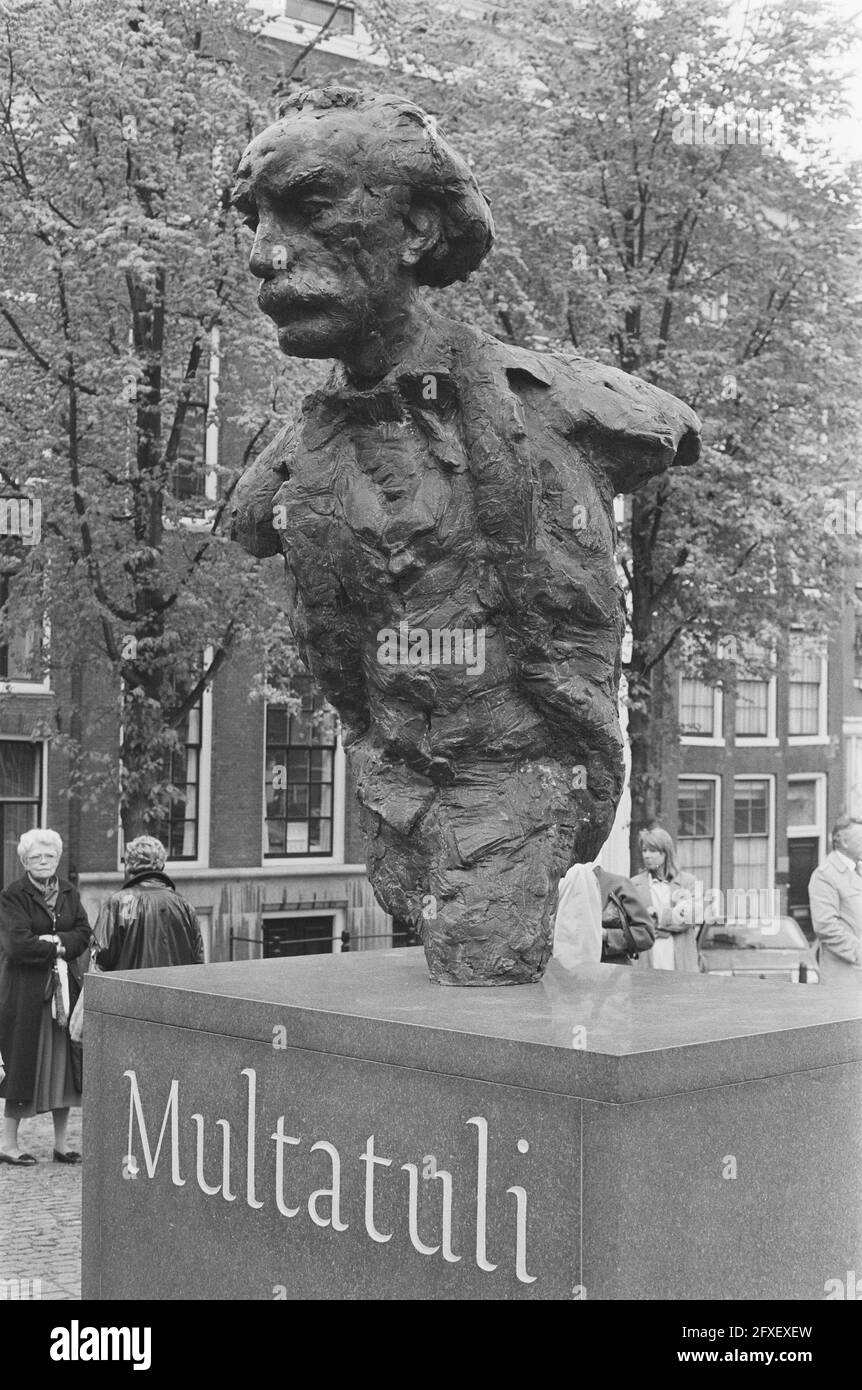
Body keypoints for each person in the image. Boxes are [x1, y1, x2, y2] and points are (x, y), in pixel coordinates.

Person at [228, 86, 701, 986]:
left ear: (413, 229)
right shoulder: (286, 466)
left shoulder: (574, 410)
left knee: (482, 968)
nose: (265, 253)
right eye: (255, 218)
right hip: (390, 795)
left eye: (310, 206)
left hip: (517, 790)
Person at [0, 829, 92, 1166]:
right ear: (24, 861)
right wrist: (57, 945)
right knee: (22, 1065)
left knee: (64, 1070)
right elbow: (16, 944)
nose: (43, 861)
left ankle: (61, 1143)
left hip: (64, 997)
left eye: (49, 856)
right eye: (36, 857)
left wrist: (53, 941)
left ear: (57, 858)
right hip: (27, 996)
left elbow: (84, 933)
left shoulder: (69, 892)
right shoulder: (12, 895)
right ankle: (8, 1143)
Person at [93, 836, 203, 971]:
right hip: (174, 990)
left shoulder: (117, 903)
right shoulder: (184, 906)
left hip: (130, 990)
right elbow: (198, 961)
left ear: (129, 865)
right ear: (162, 864)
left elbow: (101, 956)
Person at [553, 860, 655, 969]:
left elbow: (646, 935)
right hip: (567, 971)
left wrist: (606, 935)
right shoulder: (559, 884)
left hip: (612, 974)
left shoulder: (619, 885)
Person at [631, 825, 703, 972]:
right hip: (647, 958)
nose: (647, 855)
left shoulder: (688, 882)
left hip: (679, 958)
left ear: (665, 853)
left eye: (652, 850)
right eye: (644, 850)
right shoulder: (634, 884)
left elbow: (689, 917)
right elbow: (632, 922)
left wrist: (656, 918)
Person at [807, 815, 862, 989]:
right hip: (846, 978)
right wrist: (859, 952)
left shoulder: (857, 870)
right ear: (844, 842)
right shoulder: (825, 875)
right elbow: (826, 926)